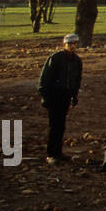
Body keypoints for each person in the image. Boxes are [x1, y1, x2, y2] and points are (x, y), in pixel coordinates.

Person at [38, 34, 82, 163]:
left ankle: (58, 152)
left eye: (74, 44)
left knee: (61, 125)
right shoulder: (56, 58)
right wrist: (45, 97)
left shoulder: (77, 60)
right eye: (70, 44)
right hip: (54, 95)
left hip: (66, 96)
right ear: (64, 45)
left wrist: (74, 96)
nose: (72, 46)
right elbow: (44, 79)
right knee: (54, 125)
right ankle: (51, 154)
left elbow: (76, 80)